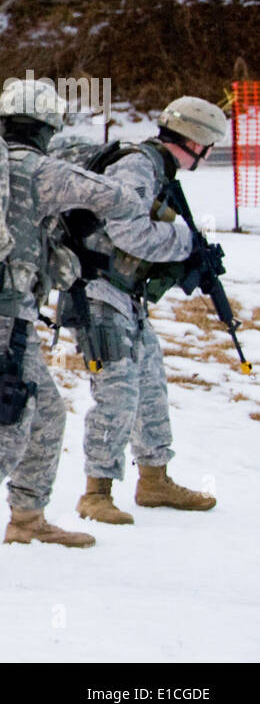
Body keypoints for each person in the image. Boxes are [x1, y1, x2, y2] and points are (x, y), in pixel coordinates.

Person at [0, 77, 181, 590]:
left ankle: (26, 519)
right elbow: (116, 200)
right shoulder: (36, 169)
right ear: (48, 129)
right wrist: (167, 219)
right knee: (8, 419)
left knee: (46, 410)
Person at [68, 97, 228, 524]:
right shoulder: (137, 167)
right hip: (98, 292)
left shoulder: (158, 170)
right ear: (198, 142)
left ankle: (154, 479)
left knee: (151, 388)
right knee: (116, 391)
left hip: (126, 295)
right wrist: (185, 242)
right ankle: (96, 492)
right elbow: (130, 234)